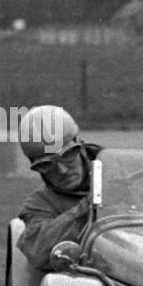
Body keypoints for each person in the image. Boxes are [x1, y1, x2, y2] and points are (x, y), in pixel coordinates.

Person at [15, 105, 102, 272]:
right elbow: (38, 251)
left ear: (81, 146)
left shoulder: (122, 172)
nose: (62, 170)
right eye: (46, 165)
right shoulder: (39, 204)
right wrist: (90, 205)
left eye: (68, 155)